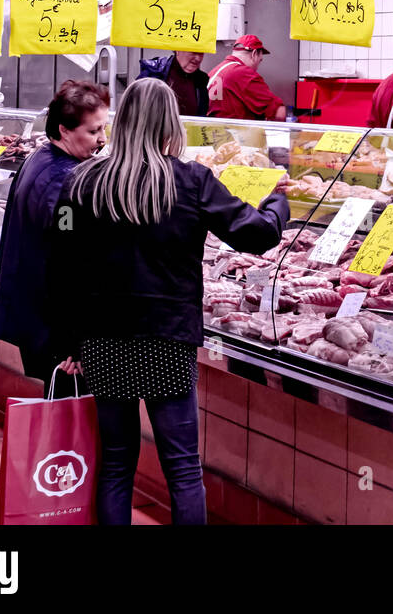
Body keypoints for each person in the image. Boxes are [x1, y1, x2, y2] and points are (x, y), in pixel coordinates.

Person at [54, 78, 288, 525]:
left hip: (104, 338)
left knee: (117, 464)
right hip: (168, 337)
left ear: (122, 123)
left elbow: (64, 264)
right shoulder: (191, 180)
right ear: (170, 123)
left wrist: (70, 339)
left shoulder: (81, 183)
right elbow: (256, 234)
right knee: (182, 469)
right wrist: (279, 204)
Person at [0, 80, 110, 396]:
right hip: (54, 327)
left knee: (59, 408)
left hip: (38, 317)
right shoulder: (64, 181)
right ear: (65, 130)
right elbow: (67, 260)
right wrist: (73, 342)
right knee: (67, 419)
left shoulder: (41, 158)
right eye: (94, 131)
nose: (102, 139)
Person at [206, 35, 288, 121]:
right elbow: (279, 113)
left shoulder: (215, 71)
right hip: (233, 131)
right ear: (254, 54)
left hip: (213, 130)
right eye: (260, 60)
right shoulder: (243, 73)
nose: (257, 68)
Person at [137, 51, 210, 117]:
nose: (198, 58)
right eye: (193, 52)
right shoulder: (153, 73)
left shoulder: (201, 81)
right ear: (178, 50)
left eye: (201, 53)